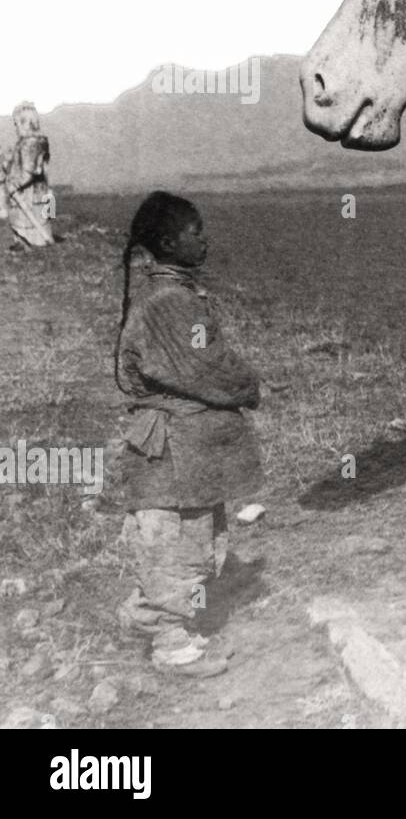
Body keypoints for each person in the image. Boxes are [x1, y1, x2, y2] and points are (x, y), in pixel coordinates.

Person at [114, 191, 263, 677]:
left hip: (184, 449)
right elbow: (205, 368)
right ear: (166, 241)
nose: (204, 239)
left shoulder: (172, 296)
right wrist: (249, 385)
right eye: (194, 231)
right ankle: (171, 645)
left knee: (190, 539)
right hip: (171, 449)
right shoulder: (169, 303)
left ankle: (146, 618)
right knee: (176, 543)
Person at [3, 101, 54, 247]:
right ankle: (27, 242)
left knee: (29, 221)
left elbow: (28, 171)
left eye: (17, 123)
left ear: (27, 123)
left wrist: (15, 185)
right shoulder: (38, 141)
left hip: (29, 194)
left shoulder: (30, 143)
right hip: (37, 192)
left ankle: (33, 242)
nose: (16, 128)